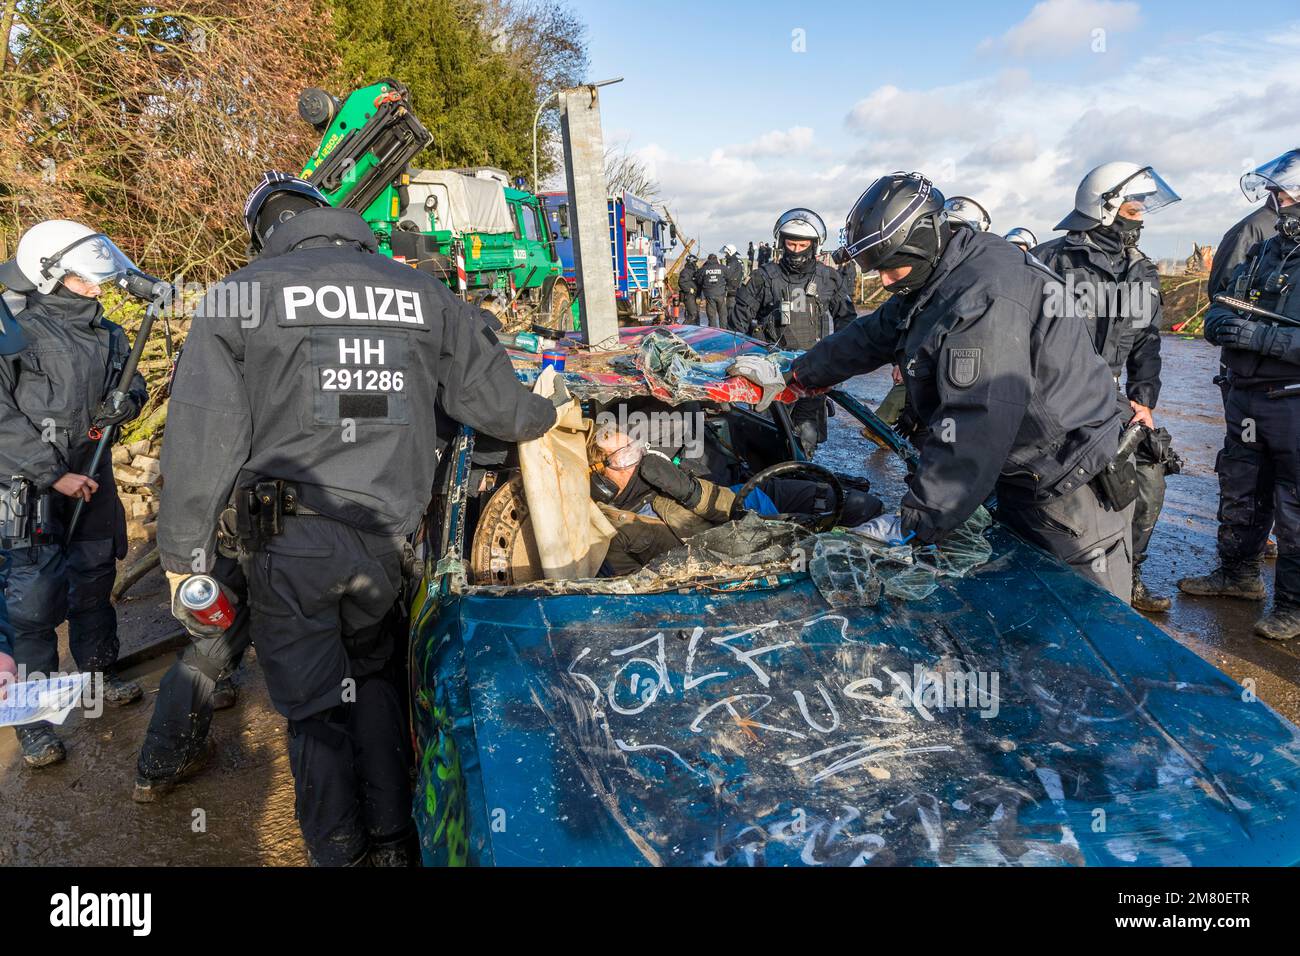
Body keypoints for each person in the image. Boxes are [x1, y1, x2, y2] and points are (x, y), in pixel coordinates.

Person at [156, 172, 559, 865]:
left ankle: (339, 852)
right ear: (331, 216)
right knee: (374, 679)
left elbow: (203, 437)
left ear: (267, 233)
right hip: (385, 540)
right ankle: (397, 842)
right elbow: (501, 409)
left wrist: (183, 557)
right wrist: (547, 407)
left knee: (314, 709)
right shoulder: (421, 291)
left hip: (287, 545)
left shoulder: (239, 297)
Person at [729, 172, 1131, 599]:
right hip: (1018, 473)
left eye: (889, 267)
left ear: (920, 242)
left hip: (1066, 484)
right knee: (1021, 605)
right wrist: (796, 373)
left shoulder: (984, 300)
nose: (883, 281)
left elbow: (976, 423)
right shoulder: (946, 269)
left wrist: (915, 522)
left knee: (1087, 623)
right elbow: (876, 332)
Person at [0, 220, 149, 768]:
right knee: (33, 600)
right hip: (28, 483)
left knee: (93, 575)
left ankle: (97, 673)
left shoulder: (107, 329)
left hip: (93, 472)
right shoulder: (11, 327)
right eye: (86, 280)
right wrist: (50, 471)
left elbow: (132, 379)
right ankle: (33, 715)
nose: (97, 288)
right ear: (51, 274)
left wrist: (127, 404)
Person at [1033, 162, 1183, 612]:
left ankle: (1130, 575)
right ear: (1104, 206)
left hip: (1116, 398)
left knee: (1148, 481)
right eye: (1133, 208)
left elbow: (1148, 342)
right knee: (1068, 494)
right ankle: (1056, 576)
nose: (1140, 218)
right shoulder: (1050, 260)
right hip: (1055, 395)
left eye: (1142, 210)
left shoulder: (1142, 270)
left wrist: (1144, 400)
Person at [1177, 152, 1300, 640]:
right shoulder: (1264, 250)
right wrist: (1220, 325)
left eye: (1285, 194)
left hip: (1292, 399)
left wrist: (1263, 339)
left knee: (1294, 507)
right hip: (1246, 392)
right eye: (1276, 193)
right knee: (1241, 487)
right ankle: (1237, 574)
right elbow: (1222, 300)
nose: (1277, 202)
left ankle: (1292, 605)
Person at [731, 208, 856, 456]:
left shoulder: (828, 278)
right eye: (791, 243)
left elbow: (847, 321)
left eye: (802, 244)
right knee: (766, 436)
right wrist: (740, 363)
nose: (796, 250)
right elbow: (738, 324)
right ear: (781, 243)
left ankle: (801, 482)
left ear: (814, 245)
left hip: (813, 372)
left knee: (806, 439)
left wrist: (839, 361)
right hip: (770, 374)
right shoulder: (762, 278)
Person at [697, 252, 728, 328]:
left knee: (711, 315)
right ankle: (724, 331)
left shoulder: (704, 269)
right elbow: (729, 277)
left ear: (708, 260)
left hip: (709, 294)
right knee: (723, 314)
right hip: (720, 293)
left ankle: (713, 331)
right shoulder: (722, 267)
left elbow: (699, 280)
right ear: (716, 259)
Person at [721, 243, 745, 324]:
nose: (725, 255)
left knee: (730, 309)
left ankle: (731, 326)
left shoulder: (733, 262)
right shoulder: (737, 261)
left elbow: (728, 274)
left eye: (726, 253)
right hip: (736, 288)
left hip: (732, 289)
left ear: (730, 252)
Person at [677, 252, 700, 325]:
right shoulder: (686, 271)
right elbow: (681, 282)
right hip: (688, 295)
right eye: (695, 262)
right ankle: (682, 330)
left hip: (694, 295)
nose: (696, 264)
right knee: (692, 314)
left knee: (696, 315)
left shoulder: (694, 271)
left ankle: (696, 330)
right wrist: (689, 289)